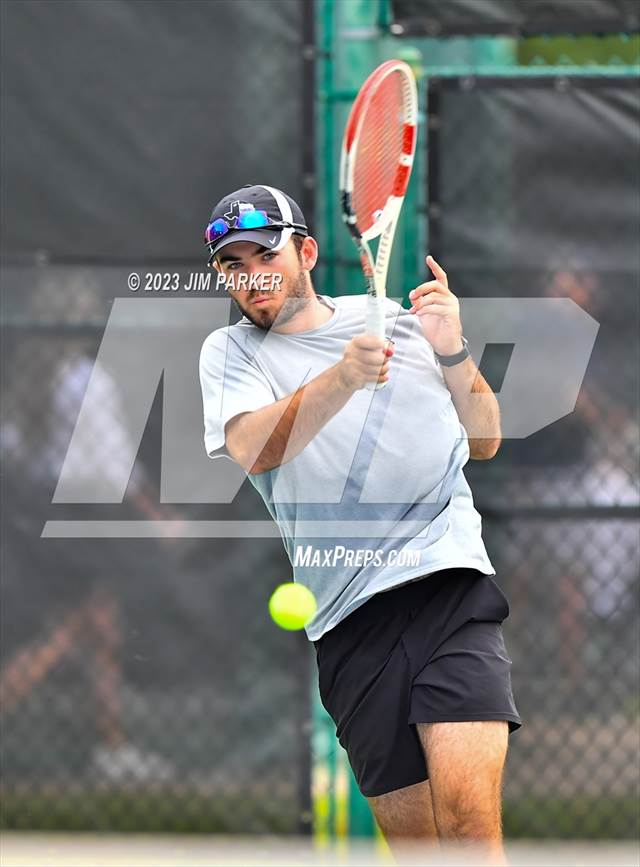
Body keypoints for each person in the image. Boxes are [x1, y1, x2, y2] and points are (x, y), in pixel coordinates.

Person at [199, 184, 522, 864]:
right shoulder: (229, 354)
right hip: (350, 627)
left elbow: (487, 438)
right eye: (232, 264)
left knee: (469, 825)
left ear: (307, 251)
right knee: (422, 851)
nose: (250, 273)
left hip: (448, 591)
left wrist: (454, 349)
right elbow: (256, 447)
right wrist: (343, 377)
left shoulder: (402, 325)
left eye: (265, 253)